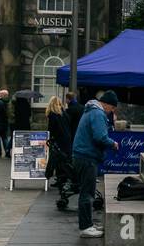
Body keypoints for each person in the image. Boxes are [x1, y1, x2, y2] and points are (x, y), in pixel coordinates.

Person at [72, 90, 120, 237]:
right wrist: (113, 144)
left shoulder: (91, 110)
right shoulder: (98, 114)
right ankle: (85, 228)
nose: (111, 112)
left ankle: (88, 224)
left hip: (82, 156)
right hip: (87, 157)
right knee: (87, 193)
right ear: (107, 104)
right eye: (112, 108)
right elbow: (100, 137)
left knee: (87, 192)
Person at [46, 95, 74, 192]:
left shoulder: (52, 115)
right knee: (65, 160)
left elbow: (51, 129)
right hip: (67, 139)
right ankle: (64, 179)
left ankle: (61, 179)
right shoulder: (64, 114)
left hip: (58, 140)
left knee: (58, 160)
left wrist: (49, 138)